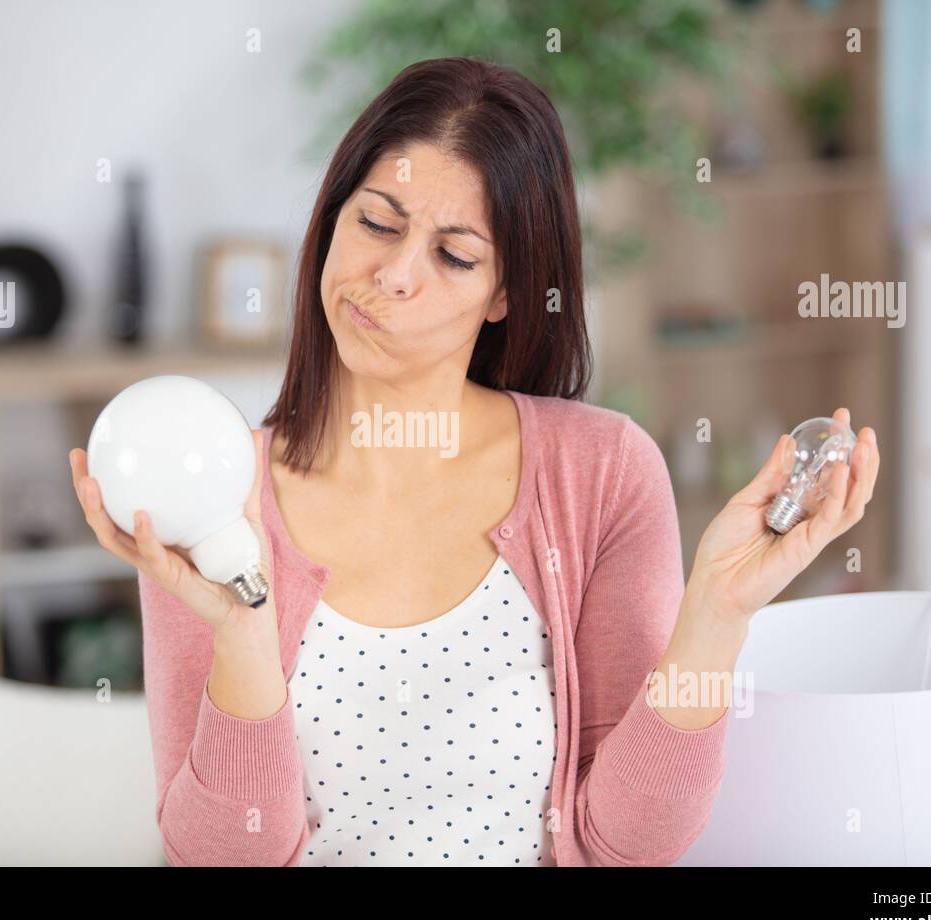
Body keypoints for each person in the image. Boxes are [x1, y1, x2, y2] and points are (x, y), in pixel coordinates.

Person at [68, 57, 879, 866]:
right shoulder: (211, 494)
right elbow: (217, 859)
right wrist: (241, 634)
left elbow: (623, 846)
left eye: (453, 256)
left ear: (505, 293)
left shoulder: (601, 473)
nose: (391, 276)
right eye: (378, 224)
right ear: (332, 217)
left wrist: (717, 617)